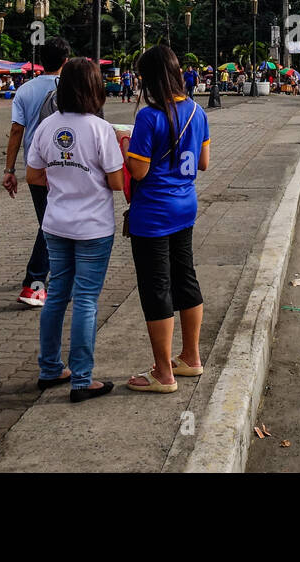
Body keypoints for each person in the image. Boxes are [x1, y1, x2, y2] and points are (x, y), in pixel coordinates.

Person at [26, 57, 125, 403]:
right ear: (95, 89)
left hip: (56, 224)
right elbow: (115, 182)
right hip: (93, 228)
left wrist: (62, 179)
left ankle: (50, 367)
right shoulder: (100, 129)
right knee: (85, 299)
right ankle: (82, 379)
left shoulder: (46, 127)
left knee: (56, 295)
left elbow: (33, 175)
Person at [124, 45, 211, 393]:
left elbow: (139, 171)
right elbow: (203, 162)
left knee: (156, 287)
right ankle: (191, 357)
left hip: (153, 215)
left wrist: (126, 147)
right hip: (185, 206)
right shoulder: (196, 111)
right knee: (185, 278)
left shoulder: (149, 116)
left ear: (149, 78)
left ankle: (163, 373)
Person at [2, 36, 72, 308]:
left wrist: (9, 169)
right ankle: (34, 283)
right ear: (65, 61)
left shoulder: (25, 90)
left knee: (52, 221)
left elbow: (16, 131)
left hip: (35, 166)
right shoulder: (70, 87)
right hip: (67, 164)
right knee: (52, 223)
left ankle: (52, 278)